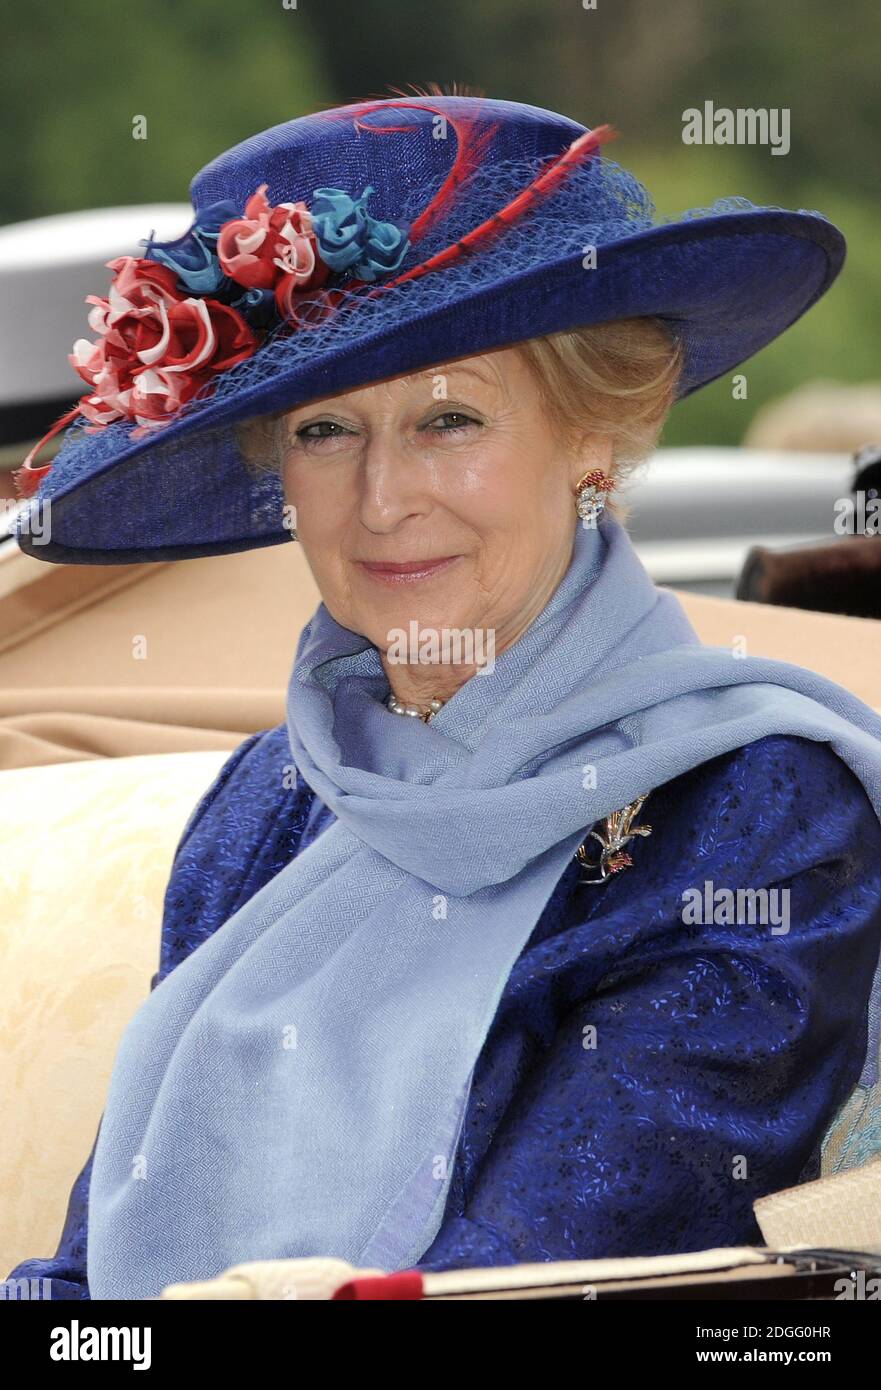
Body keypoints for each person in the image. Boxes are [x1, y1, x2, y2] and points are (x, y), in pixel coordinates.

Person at [8, 92, 881, 1302]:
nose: (380, 499)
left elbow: (545, 1277)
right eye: (324, 431)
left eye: (449, 419)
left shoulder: (753, 807)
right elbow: (90, 1273)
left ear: (594, 436)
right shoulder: (263, 800)